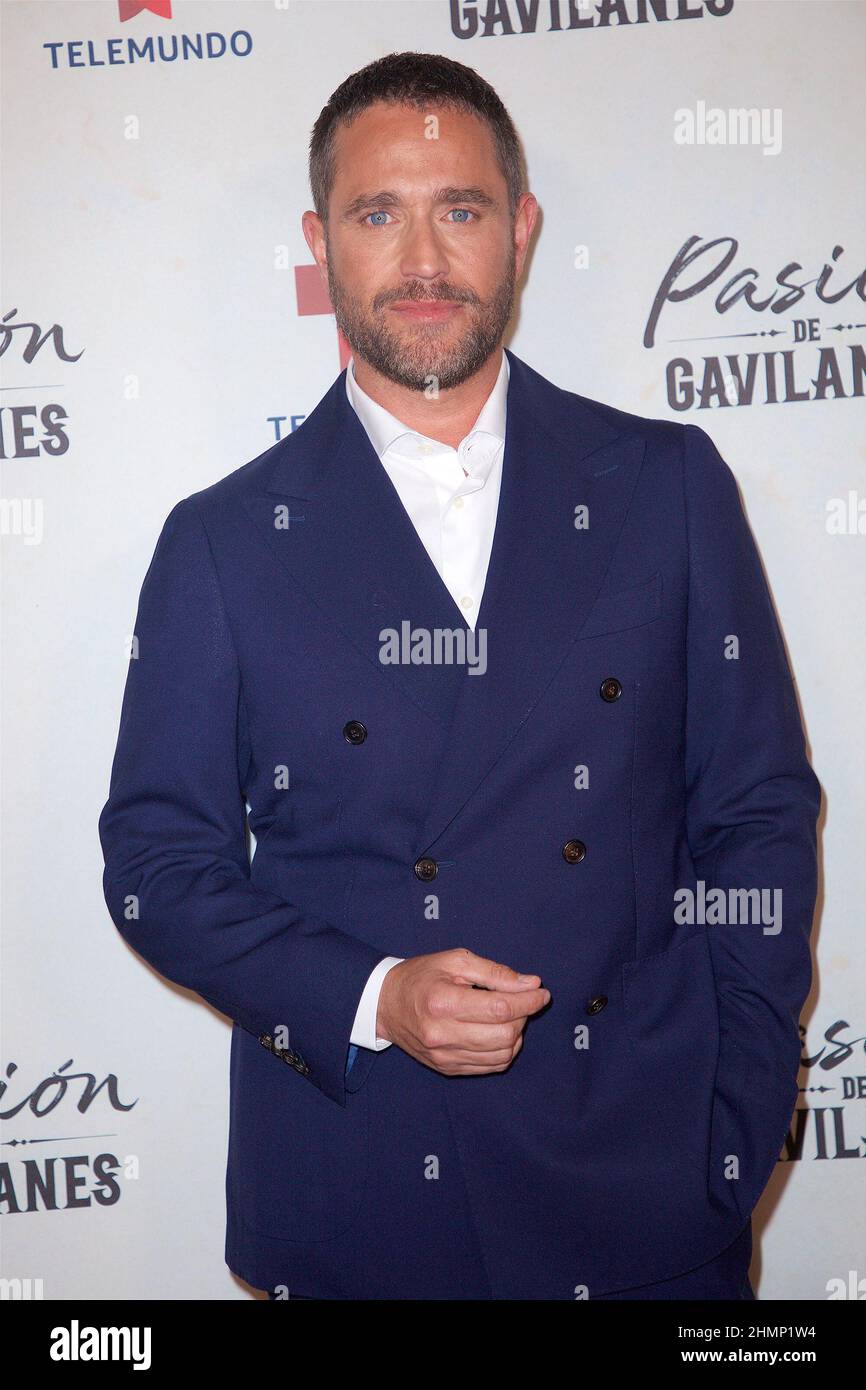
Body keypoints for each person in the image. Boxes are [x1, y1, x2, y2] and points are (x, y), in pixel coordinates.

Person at [98, 51, 820, 1301]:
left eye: (462, 209)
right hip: (365, 1185)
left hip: (647, 1188)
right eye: (379, 214)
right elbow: (159, 866)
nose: (422, 259)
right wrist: (373, 995)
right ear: (320, 245)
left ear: (521, 230)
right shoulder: (220, 541)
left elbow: (753, 814)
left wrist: (735, 1116)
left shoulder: (663, 486)